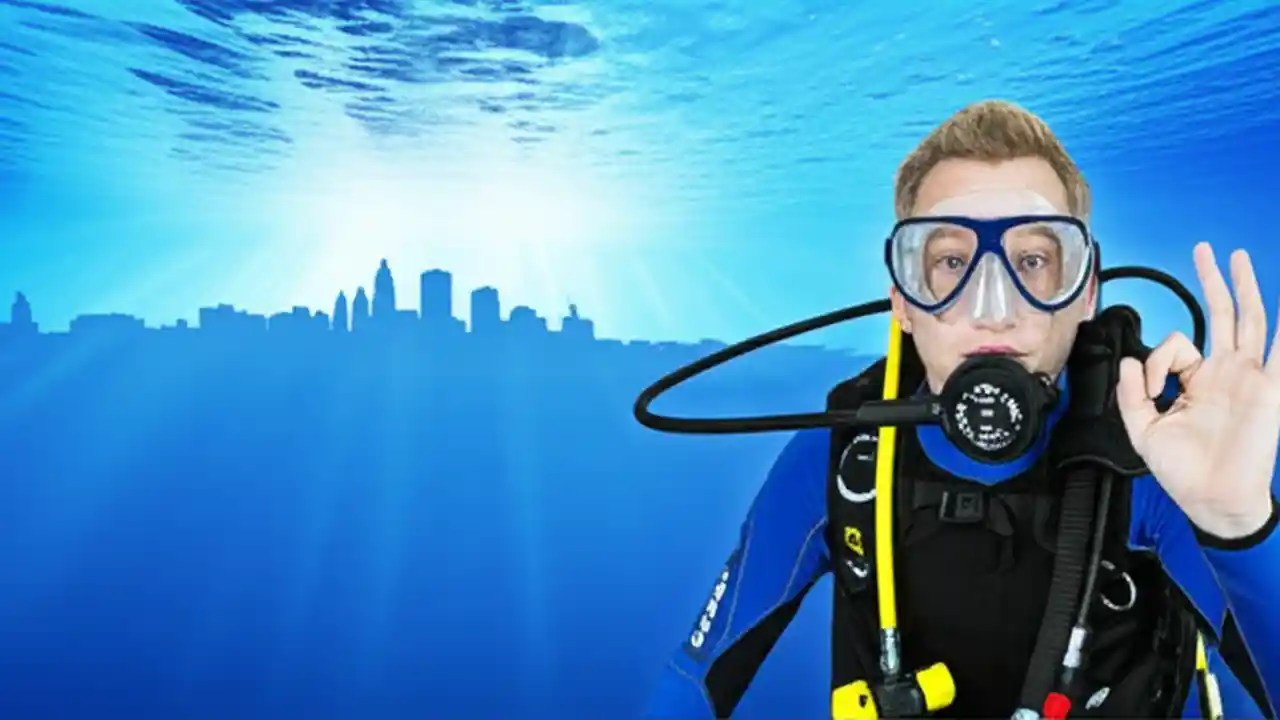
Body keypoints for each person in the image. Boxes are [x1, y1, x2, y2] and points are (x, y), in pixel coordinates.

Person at [642, 100, 1280, 719]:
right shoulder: (839, 459)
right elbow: (693, 681)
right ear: (902, 300)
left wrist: (1238, 522)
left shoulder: (1156, 456)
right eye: (950, 262)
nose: (992, 306)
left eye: (1034, 259)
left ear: (1086, 293)